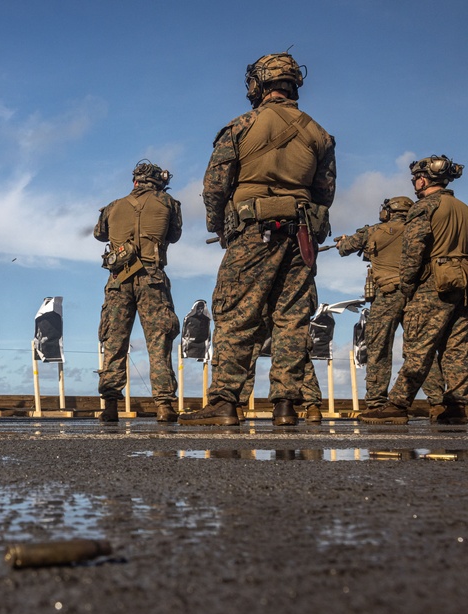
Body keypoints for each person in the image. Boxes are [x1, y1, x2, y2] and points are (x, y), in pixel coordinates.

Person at [180, 52, 336, 426]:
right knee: (292, 318)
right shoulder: (319, 133)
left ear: (259, 84)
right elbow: (325, 192)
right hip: (300, 234)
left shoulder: (241, 126)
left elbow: (215, 186)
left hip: (254, 230)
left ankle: (225, 402)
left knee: (237, 313)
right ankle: (285, 405)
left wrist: (218, 226)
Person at [359, 155, 468, 425]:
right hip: (462, 284)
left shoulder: (424, 207)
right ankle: (458, 406)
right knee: (457, 348)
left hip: (433, 285)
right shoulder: (463, 208)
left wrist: (408, 287)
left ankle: (397, 405)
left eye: (416, 179)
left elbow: (413, 252)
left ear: (423, 179)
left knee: (418, 348)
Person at [338, 196, 445, 418]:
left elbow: (345, 248)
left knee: (379, 348)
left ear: (388, 211)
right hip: (417, 295)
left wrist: (344, 241)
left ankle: (377, 403)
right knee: (421, 350)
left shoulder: (373, 231)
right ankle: (437, 402)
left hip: (386, 294)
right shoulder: (422, 229)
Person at [95, 161, 182, 423]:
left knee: (114, 343)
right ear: (158, 181)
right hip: (152, 278)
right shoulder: (169, 203)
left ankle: (110, 406)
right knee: (159, 342)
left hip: (119, 279)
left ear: (134, 181)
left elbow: (100, 234)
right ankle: (165, 406)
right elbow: (174, 235)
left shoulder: (113, 206)